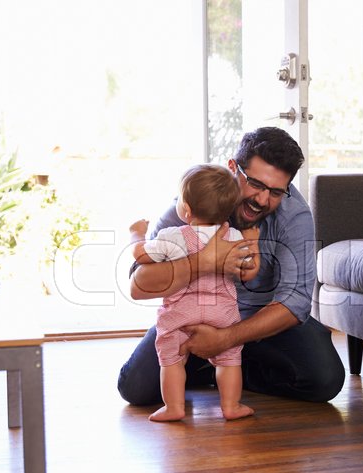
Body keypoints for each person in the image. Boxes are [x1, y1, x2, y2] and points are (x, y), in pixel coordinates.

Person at [118, 127, 345, 407]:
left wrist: (225, 339)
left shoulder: (294, 216)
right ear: (233, 168)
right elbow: (139, 284)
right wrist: (205, 262)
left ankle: (228, 369)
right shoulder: (197, 198)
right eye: (256, 184)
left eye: (276, 192)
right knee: (135, 388)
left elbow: (296, 300)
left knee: (325, 380)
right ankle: (212, 367)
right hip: (190, 321)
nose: (262, 200)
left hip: (260, 324)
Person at [129, 164, 259, 422]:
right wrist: (253, 242)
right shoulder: (233, 236)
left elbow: (140, 255)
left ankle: (174, 407)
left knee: (171, 358)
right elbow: (249, 272)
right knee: (230, 359)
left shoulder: (174, 236)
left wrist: (136, 234)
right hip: (221, 313)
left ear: (186, 209)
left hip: (181, 313)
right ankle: (231, 406)